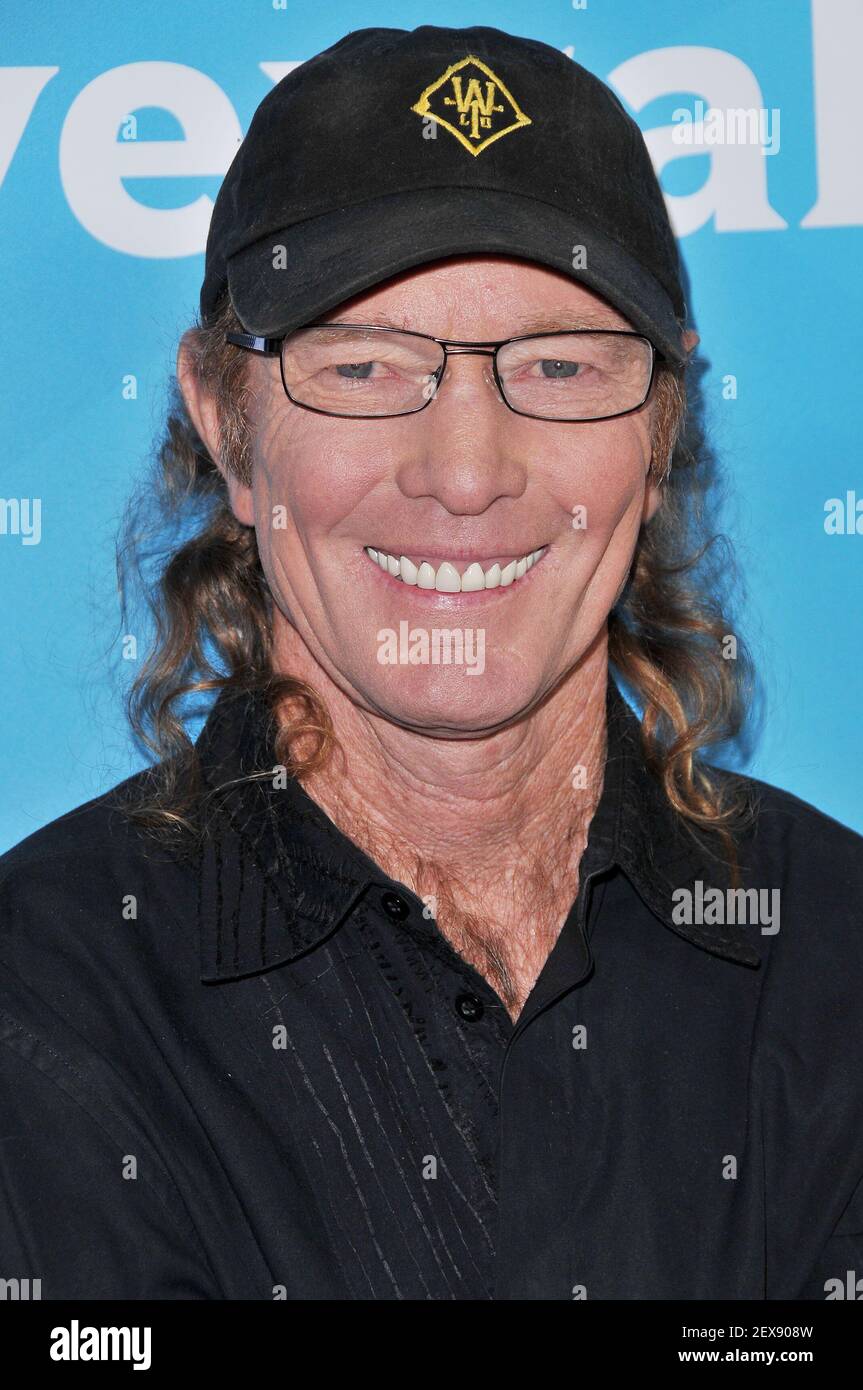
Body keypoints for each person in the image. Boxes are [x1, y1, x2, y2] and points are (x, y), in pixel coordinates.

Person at [1, 23, 861, 1302]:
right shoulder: (46, 991)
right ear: (227, 431)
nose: (464, 474)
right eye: (363, 367)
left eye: (559, 366)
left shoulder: (831, 958)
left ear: (661, 430)